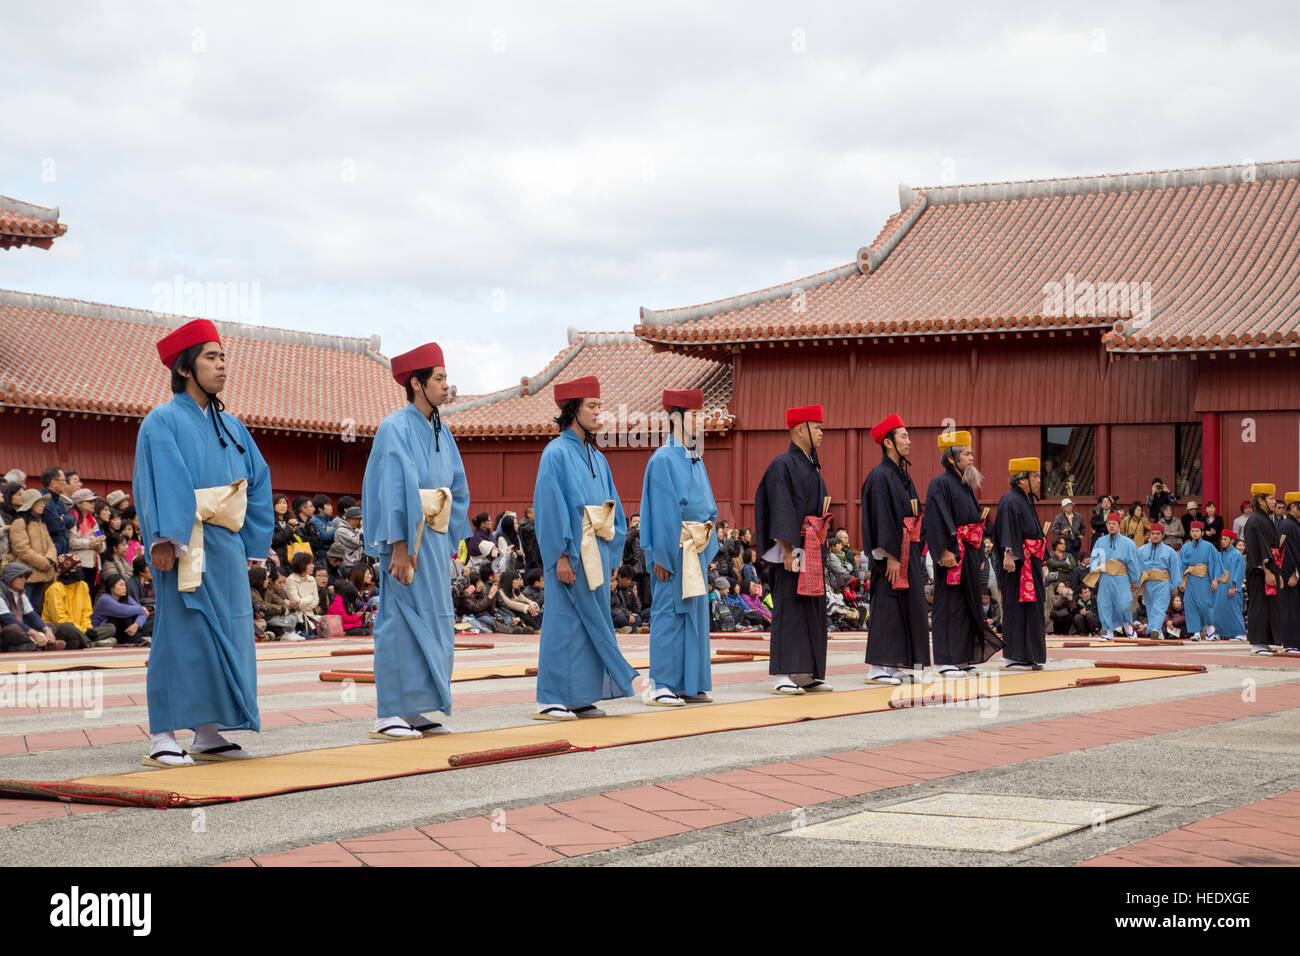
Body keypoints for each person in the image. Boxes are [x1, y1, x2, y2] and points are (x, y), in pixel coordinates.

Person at [133, 319, 273, 767]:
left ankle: (209, 732)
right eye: (212, 357)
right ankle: (162, 733)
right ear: (186, 367)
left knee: (228, 632)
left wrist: (254, 540)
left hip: (225, 546)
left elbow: (259, 479)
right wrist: (164, 537)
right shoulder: (162, 421)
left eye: (223, 356)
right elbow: (160, 483)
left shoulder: (232, 425)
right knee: (180, 633)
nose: (222, 365)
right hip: (183, 544)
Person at [361, 342, 471, 738]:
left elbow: (457, 488)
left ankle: (416, 707)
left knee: (436, 620)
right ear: (416, 383)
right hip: (408, 542)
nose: (446, 385)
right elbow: (392, 488)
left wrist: (452, 538)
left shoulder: (442, 431)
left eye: (445, 377)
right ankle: (389, 710)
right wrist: (400, 547)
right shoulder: (395, 427)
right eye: (438, 378)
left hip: (436, 542)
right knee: (399, 619)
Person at [531, 376, 638, 720]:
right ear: (572, 409)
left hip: (596, 551)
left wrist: (611, 555)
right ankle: (550, 696)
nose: (598, 412)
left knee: (591, 622)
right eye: (591, 406)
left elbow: (612, 509)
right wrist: (561, 553)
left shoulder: (597, 456)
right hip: (570, 551)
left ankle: (579, 695)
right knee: (563, 621)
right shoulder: (556, 453)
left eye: (598, 405)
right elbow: (551, 506)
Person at [638, 388, 719, 706]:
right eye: (696, 416)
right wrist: (660, 552)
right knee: (669, 612)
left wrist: (708, 541)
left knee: (695, 615)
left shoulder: (695, 457)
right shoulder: (662, 458)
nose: (701, 422)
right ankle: (661, 684)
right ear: (677, 419)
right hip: (673, 548)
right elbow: (659, 510)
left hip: (696, 548)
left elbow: (709, 508)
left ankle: (689, 683)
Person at [754, 405, 832, 695]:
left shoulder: (812, 466)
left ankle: (806, 672)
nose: (822, 432)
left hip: (812, 547)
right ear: (801, 428)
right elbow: (782, 509)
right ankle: (783, 674)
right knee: (788, 607)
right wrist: (788, 551)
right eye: (817, 427)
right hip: (795, 549)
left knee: (811, 610)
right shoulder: (782, 465)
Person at [921, 429, 1001, 678]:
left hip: (969, 552)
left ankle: (963, 657)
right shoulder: (940, 483)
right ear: (952, 458)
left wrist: (977, 556)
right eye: (967, 454)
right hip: (952, 552)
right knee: (949, 605)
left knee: (968, 603)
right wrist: (944, 550)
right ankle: (945, 660)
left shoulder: (965, 485)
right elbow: (935, 520)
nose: (971, 458)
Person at [860, 414, 930, 683]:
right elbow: (880, 517)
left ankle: (893, 664)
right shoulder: (879, 476)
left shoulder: (901, 474)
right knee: (886, 607)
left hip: (907, 551)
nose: (909, 441)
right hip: (890, 555)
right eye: (904, 436)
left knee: (905, 607)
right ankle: (876, 667)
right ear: (888, 442)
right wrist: (889, 556)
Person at [994, 457, 1047, 670]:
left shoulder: (1026, 500)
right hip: (1016, 565)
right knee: (1016, 607)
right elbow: (1006, 528)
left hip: (1030, 563)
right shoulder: (1010, 500)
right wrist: (1008, 552)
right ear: (1021, 479)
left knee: (1032, 609)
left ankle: (1027, 655)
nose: (1038, 481)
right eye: (1035, 476)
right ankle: (1013, 656)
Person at [1086, 511, 1142, 639]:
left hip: (1122, 577)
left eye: (1114, 524)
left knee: (1123, 604)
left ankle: (1127, 625)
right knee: (1105, 604)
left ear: (1119, 525)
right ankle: (1109, 631)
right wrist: (1094, 576)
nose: (1111, 526)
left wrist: (1134, 580)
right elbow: (1095, 560)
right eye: (1109, 523)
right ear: (1106, 525)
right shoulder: (1100, 541)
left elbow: (1133, 563)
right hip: (1105, 578)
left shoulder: (1128, 543)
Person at [1242, 483, 1284, 655]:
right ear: (1260, 500)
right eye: (1271, 498)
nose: (1274, 502)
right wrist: (1266, 570)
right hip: (1259, 571)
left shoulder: (1268, 519)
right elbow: (1255, 547)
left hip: (1270, 569)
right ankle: (1257, 643)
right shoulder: (1254, 520)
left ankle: (1265, 641)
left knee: (1269, 606)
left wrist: (1277, 572)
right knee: (1258, 604)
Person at [42, 553, 113, 648]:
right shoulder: (54, 589)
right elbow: (59, 620)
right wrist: (83, 631)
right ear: (67, 571)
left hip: (80, 630)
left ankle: (85, 640)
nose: (80, 571)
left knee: (111, 627)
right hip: (58, 630)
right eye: (76, 568)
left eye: (80, 567)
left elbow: (87, 613)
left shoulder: (83, 585)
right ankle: (91, 644)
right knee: (66, 626)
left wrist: (88, 629)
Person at [0, 563, 73, 651]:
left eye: (25, 577)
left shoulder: (20, 592)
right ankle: (44, 645)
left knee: (50, 626)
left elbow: (32, 615)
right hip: (7, 635)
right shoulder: (1, 593)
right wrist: (34, 633)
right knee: (12, 629)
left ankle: (36, 645)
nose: (24, 580)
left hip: (22, 634)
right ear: (10, 577)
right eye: (20, 576)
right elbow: (8, 619)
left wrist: (46, 630)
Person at [5, 489, 58, 612]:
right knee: (23, 609)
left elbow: (51, 544)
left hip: (43, 573)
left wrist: (49, 559)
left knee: (35, 607)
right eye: (39, 502)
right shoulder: (19, 523)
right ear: (31, 504)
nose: (43, 505)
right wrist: (43, 563)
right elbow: (22, 549)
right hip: (26, 575)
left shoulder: (41, 523)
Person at [1136, 522, 1181, 639]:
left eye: (1157, 534)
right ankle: (1157, 632)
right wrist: (1136, 582)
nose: (1155, 536)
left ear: (1162, 536)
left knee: (1160, 607)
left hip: (1163, 583)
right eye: (1153, 533)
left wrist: (1174, 585)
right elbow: (1137, 567)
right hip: (1147, 583)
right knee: (1150, 607)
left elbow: (1175, 569)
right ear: (1149, 535)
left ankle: (1154, 629)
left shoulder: (1170, 551)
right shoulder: (1141, 550)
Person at [1178, 521, 1221, 641]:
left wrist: (1215, 579)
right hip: (1190, 578)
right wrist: (1181, 581)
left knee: (1205, 605)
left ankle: (1210, 626)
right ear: (1190, 533)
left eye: (1197, 531)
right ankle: (1196, 632)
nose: (1195, 533)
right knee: (1189, 604)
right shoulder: (1185, 547)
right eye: (1193, 531)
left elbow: (1215, 563)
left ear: (1202, 533)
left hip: (1204, 579)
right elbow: (1181, 565)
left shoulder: (1209, 546)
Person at [92, 573, 149, 646]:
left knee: (132, 613)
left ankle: (133, 638)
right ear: (111, 588)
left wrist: (136, 624)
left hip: (121, 632)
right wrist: (142, 608)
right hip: (103, 631)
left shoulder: (126, 598)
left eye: (125, 585)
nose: (124, 587)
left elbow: (142, 613)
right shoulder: (104, 599)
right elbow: (124, 611)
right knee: (123, 615)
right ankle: (135, 638)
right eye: (121, 585)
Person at [1211, 530, 1247, 642]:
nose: (1223, 541)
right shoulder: (1219, 554)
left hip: (1230, 585)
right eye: (1222, 539)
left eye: (1225, 539)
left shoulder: (1237, 555)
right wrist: (1215, 580)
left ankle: (1240, 633)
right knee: (1218, 609)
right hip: (1220, 585)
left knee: (1233, 610)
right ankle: (1218, 632)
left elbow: (1238, 572)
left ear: (1232, 541)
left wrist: (1234, 587)